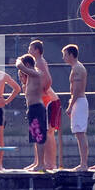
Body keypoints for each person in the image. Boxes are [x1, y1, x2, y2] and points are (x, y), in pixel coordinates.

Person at [28, 41, 60, 170]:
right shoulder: (38, 62)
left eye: (30, 48)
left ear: (36, 49)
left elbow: (48, 79)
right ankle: (38, 161)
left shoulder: (40, 62)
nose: (28, 49)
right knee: (39, 132)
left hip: (49, 100)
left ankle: (51, 163)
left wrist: (43, 90)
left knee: (49, 132)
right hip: (42, 101)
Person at [15, 54, 49, 172]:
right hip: (32, 109)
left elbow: (20, 66)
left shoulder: (36, 73)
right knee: (35, 137)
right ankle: (38, 163)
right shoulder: (30, 77)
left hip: (37, 108)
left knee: (39, 137)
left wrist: (19, 60)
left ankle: (41, 164)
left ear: (28, 65)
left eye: (25, 65)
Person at [62, 45, 90, 170]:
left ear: (71, 55)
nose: (63, 57)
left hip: (79, 101)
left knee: (80, 133)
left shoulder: (78, 68)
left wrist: (70, 106)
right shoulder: (75, 68)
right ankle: (83, 163)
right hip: (77, 101)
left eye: (65, 54)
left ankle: (84, 164)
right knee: (79, 133)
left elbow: (77, 90)